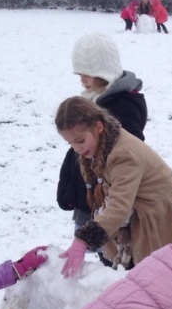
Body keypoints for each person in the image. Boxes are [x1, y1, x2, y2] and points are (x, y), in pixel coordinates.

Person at [56, 96, 172, 275]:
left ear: (98, 127)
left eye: (80, 141)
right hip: (141, 211)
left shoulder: (123, 155)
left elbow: (119, 206)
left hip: (161, 215)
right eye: (70, 143)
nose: (76, 148)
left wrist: (84, 240)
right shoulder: (104, 145)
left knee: (161, 275)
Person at [56, 34, 148, 266]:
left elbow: (127, 160)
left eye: (86, 74)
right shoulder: (93, 101)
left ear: (102, 71)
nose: (82, 81)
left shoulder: (121, 108)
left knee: (109, 253)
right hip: (92, 197)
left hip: (107, 200)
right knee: (98, 253)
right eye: (80, 75)